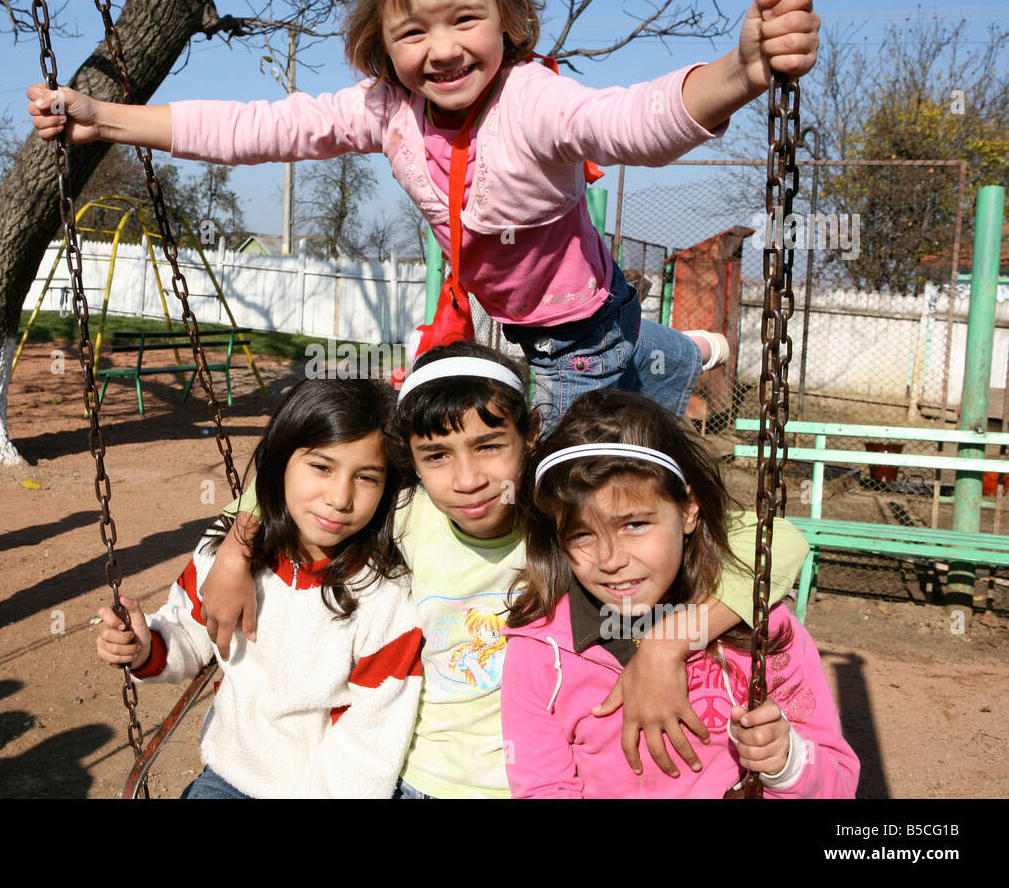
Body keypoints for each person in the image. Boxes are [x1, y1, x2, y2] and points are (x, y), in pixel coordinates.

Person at [27, 0, 819, 430]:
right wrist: (107, 118)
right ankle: (682, 352)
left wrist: (740, 71)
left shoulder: (531, 99)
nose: (441, 49)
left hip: (574, 336)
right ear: (383, 42)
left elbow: (631, 122)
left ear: (505, 19)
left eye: (464, 20)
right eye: (412, 31)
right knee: (629, 350)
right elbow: (255, 129)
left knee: (555, 483)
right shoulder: (388, 110)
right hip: (534, 313)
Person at [203, 342, 801, 797]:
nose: (467, 481)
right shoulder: (407, 513)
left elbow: (783, 542)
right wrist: (234, 552)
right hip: (409, 776)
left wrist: (666, 646)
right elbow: (275, 489)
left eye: (490, 446)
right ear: (410, 462)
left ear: (531, 436)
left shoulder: (561, 521)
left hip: (524, 782)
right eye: (437, 456)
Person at [501, 388, 860, 797]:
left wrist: (787, 763)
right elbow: (542, 788)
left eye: (634, 524)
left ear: (688, 509)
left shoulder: (760, 629)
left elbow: (839, 781)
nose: (610, 559)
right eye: (581, 535)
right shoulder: (541, 650)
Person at [96, 378, 423, 798]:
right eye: (321, 467)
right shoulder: (229, 558)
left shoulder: (384, 597)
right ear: (281, 462)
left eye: (366, 477)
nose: (340, 497)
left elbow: (369, 741)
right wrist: (146, 647)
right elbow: (191, 634)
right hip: (230, 777)